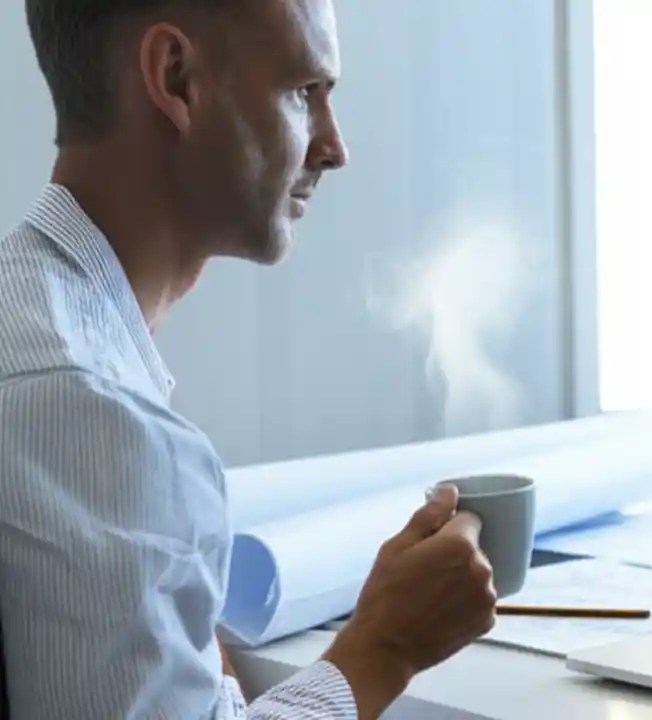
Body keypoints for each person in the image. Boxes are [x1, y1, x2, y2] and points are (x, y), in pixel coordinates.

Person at [0, 1, 498, 717]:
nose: (334, 146)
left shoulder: (41, 334)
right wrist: (384, 648)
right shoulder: (91, 408)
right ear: (176, 78)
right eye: (304, 92)